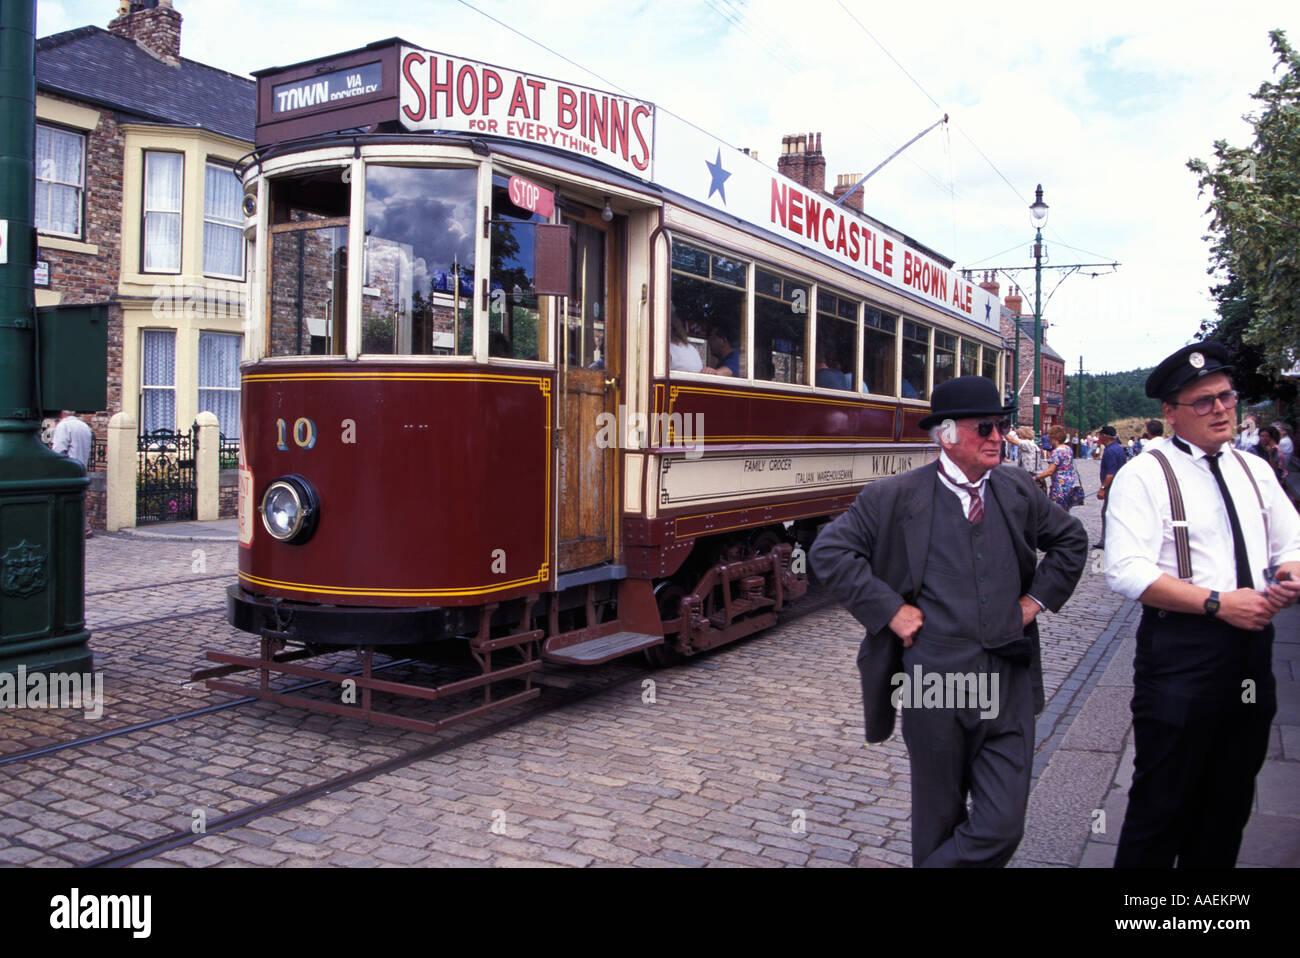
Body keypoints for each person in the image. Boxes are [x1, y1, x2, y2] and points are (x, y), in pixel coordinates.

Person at [812, 375, 1087, 867]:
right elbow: (830, 551)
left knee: (1003, 824)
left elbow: (1071, 542)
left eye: (1001, 426)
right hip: (933, 682)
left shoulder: (1017, 489)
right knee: (937, 819)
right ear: (946, 434)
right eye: (985, 427)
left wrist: (1034, 603)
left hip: (1008, 680)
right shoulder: (893, 498)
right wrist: (889, 610)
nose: (998, 437)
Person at [1104, 341, 1300, 867]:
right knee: (1161, 802)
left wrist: (1288, 576)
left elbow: (1292, 543)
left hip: (1251, 653)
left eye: (1226, 397)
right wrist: (1218, 603)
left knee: (1229, 801)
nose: (1221, 410)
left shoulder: (1254, 469)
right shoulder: (1145, 473)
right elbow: (1126, 570)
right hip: (1182, 654)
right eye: (1204, 402)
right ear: (1171, 414)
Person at [52, 410, 94, 537]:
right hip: (81, 466)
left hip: (67, 468)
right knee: (78, 498)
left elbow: (58, 450)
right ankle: (84, 527)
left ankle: (71, 528)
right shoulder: (84, 426)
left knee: (63, 498)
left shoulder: (63, 426)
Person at [1037, 425, 1082, 511]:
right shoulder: (1068, 449)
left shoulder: (1056, 452)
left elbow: (1050, 471)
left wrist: (1035, 477)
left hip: (1059, 486)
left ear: (1054, 437)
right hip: (1069, 484)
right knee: (1065, 510)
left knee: (1056, 512)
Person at [1094, 425, 1126, 549]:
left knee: (1107, 513)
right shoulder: (1118, 448)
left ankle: (1106, 540)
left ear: (1105, 436)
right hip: (1119, 485)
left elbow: (1111, 473)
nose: (1099, 437)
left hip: (1111, 486)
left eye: (1101, 435)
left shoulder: (1110, 451)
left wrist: (1102, 488)